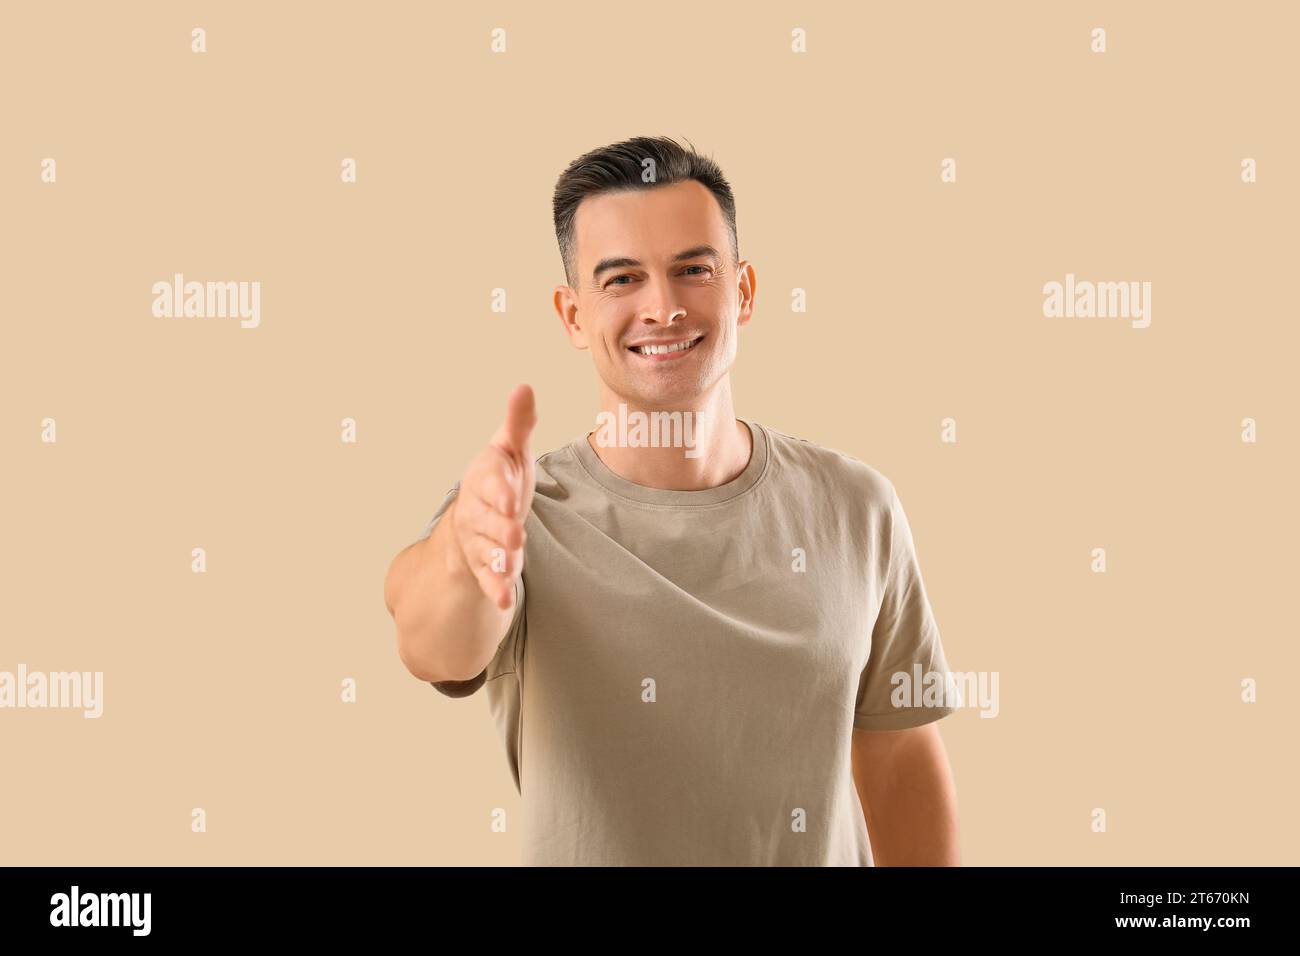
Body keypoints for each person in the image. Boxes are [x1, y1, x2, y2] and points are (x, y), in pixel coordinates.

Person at [383, 135, 960, 866]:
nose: (663, 307)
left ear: (742, 291)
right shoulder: (514, 516)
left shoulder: (858, 506)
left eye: (692, 270)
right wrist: (465, 561)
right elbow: (435, 643)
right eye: (621, 280)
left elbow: (900, 755)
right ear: (571, 315)